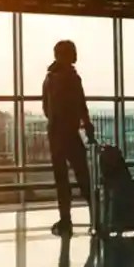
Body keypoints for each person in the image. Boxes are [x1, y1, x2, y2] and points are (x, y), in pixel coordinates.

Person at [43, 39, 95, 236]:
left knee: (61, 179)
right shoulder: (72, 78)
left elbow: (47, 109)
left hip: (55, 133)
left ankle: (66, 219)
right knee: (83, 176)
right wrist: (87, 127)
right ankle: (96, 216)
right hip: (70, 134)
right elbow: (81, 105)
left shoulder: (50, 78)